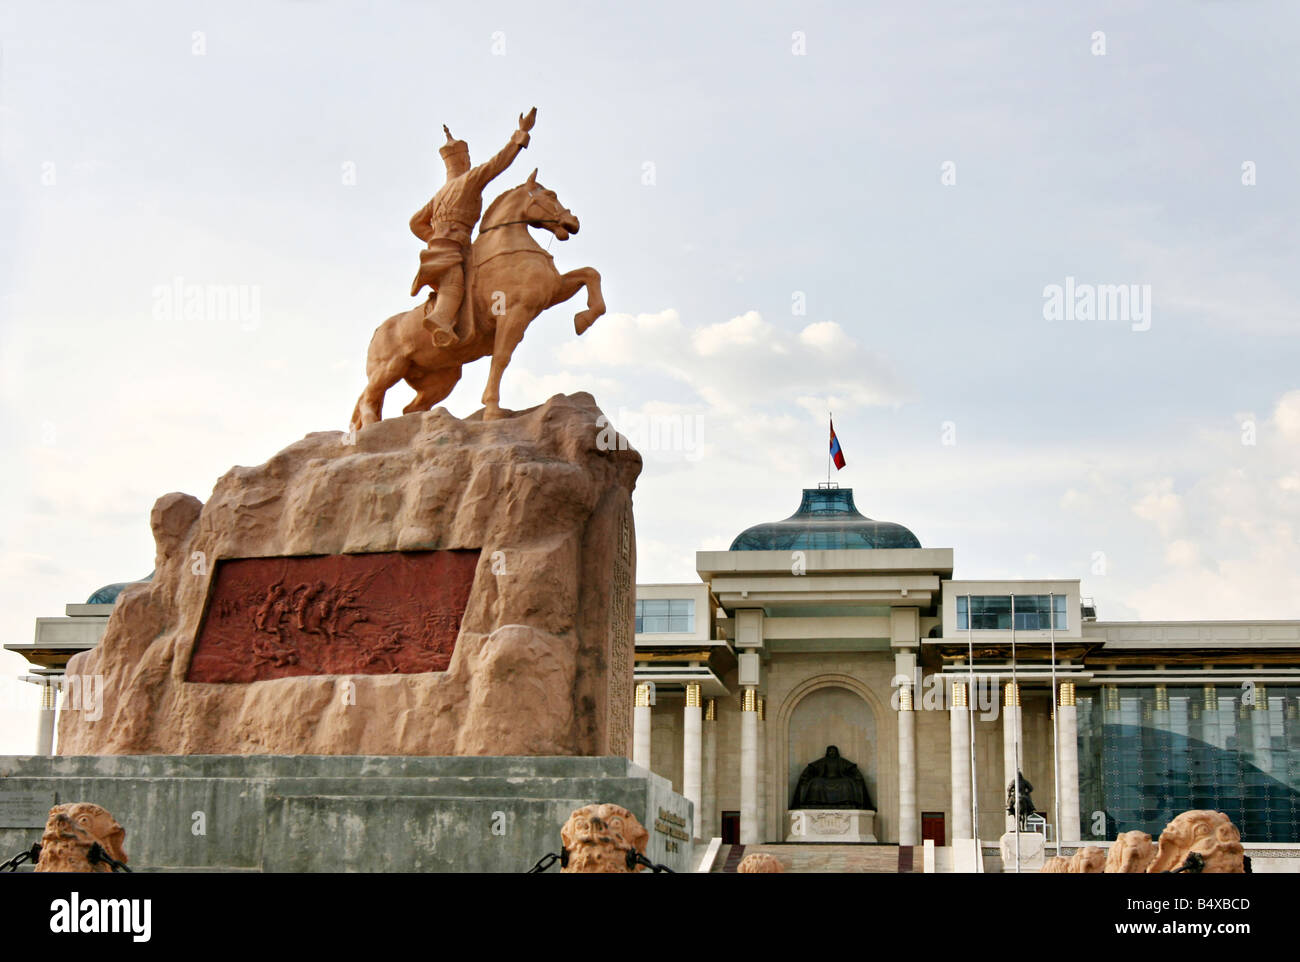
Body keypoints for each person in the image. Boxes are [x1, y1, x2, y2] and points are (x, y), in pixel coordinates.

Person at [408, 108, 537, 347]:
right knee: (453, 282)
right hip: (451, 248)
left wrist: (435, 236)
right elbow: (497, 164)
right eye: (467, 158)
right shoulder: (469, 180)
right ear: (464, 160)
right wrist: (521, 134)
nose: (469, 161)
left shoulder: (439, 195)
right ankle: (441, 321)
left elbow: (415, 222)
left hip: (455, 244)